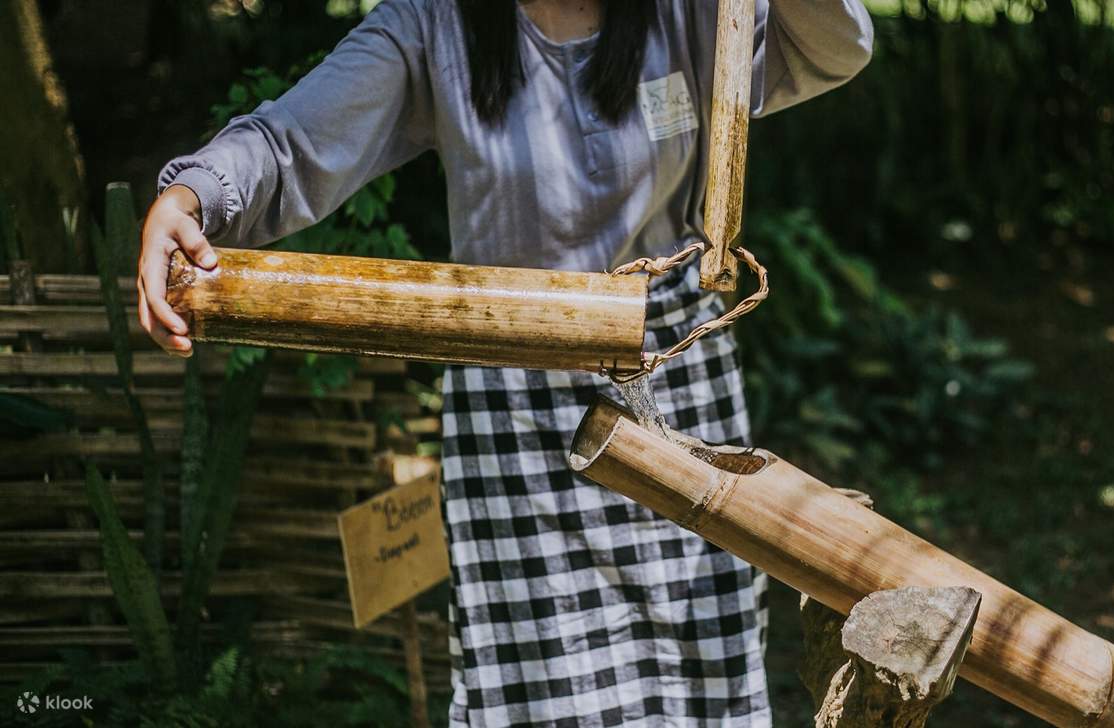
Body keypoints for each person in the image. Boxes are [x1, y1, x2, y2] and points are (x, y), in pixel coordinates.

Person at [139, 0, 872, 724]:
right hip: (512, 400)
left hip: (676, 382)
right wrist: (193, 194)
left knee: (694, 669)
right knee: (538, 686)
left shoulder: (693, 13)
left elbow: (835, 43)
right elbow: (291, 140)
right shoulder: (433, 24)